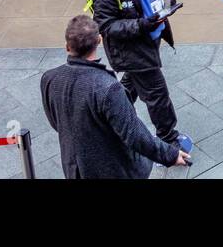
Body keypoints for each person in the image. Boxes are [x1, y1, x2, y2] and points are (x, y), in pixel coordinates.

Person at [40, 14, 190, 179]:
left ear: (67, 46)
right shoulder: (108, 87)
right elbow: (135, 135)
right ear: (99, 40)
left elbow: (57, 122)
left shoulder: (49, 78)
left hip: (75, 168)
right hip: (115, 169)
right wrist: (170, 154)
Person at [90, 0, 190, 153]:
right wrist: (143, 24)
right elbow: (105, 25)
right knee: (157, 94)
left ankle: (110, 118)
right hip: (131, 48)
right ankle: (167, 138)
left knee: (132, 83)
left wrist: (165, 6)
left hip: (150, 36)